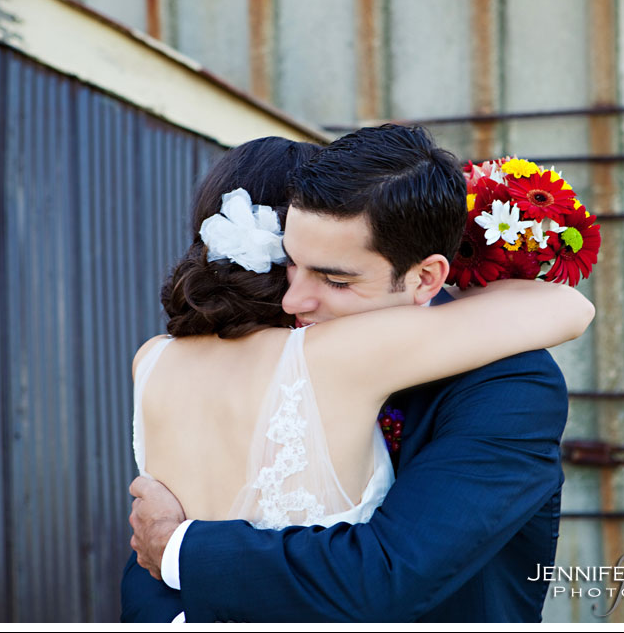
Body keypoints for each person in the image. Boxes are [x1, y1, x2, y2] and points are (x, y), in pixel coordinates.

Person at [124, 125, 595, 622]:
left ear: (426, 277)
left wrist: (178, 549)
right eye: (290, 264)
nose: (293, 300)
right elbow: (147, 561)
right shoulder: (280, 358)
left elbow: (392, 573)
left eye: (335, 280)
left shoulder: (508, 385)